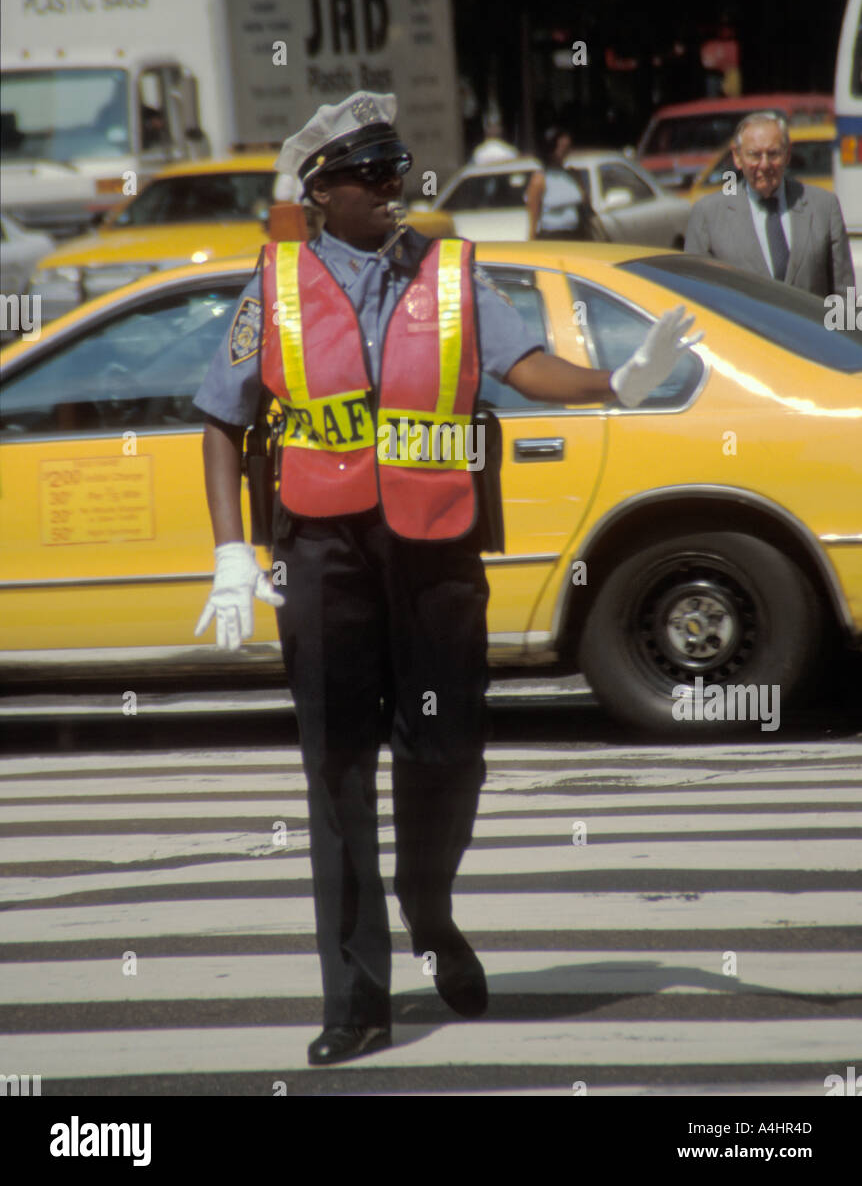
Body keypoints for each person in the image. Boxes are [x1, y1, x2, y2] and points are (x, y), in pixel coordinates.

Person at [192, 91, 700, 1068]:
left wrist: (616, 384)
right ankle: (358, 999)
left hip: (435, 549)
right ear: (324, 191)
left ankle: (429, 909)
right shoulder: (277, 284)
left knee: (448, 755)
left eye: (398, 169)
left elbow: (527, 362)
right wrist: (229, 549)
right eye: (373, 174)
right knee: (337, 773)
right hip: (323, 553)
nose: (395, 189)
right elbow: (222, 416)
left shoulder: (453, 270)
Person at [685, 111, 854, 297]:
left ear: (788, 154)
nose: (764, 165)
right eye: (755, 155)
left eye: (773, 154)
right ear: (737, 157)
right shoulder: (708, 214)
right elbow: (695, 296)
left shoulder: (824, 207)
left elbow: (844, 292)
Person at [525, 126, 605, 241]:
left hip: (577, 234)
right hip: (553, 237)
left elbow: (585, 206)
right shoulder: (539, 179)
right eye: (559, 145)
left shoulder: (573, 174)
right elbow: (533, 219)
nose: (564, 148)